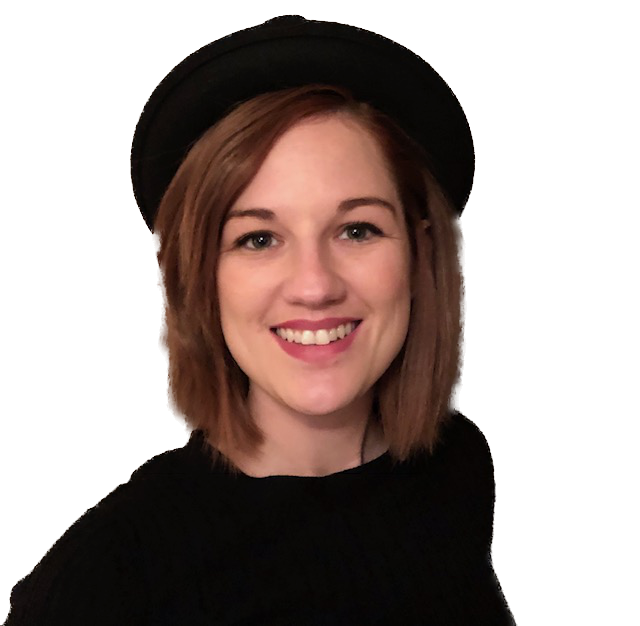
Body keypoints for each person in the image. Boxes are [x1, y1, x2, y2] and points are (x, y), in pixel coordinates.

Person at [5, 16, 517, 624]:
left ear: (419, 252)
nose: (315, 286)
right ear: (200, 277)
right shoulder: (106, 579)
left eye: (357, 230)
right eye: (258, 239)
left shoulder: (461, 466)